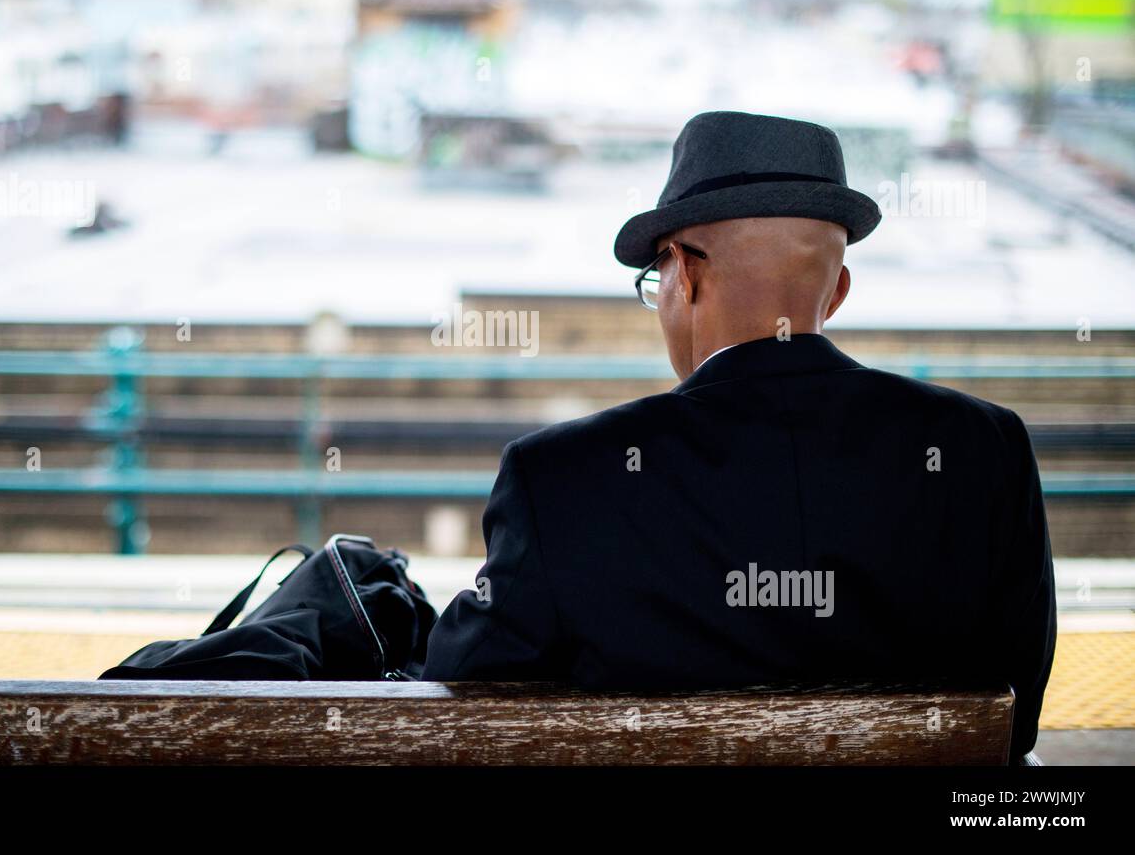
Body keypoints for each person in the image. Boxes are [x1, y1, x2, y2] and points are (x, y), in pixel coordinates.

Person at [421, 110, 1056, 763]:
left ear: (683, 275)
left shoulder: (559, 478)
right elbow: (1018, 714)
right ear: (835, 292)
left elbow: (460, 687)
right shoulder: (986, 450)